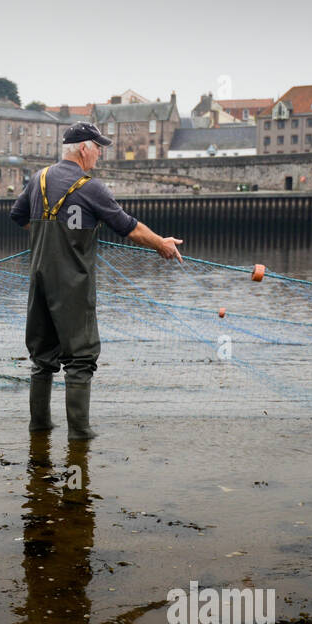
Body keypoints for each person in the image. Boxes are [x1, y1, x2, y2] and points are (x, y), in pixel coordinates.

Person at [10, 122, 183, 439]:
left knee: (42, 359)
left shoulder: (38, 179)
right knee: (80, 358)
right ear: (83, 149)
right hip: (72, 287)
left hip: (39, 283)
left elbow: (18, 217)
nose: (100, 154)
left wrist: (49, 236)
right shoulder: (91, 187)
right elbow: (128, 227)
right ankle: (80, 435)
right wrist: (162, 244)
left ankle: (40, 428)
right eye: (98, 147)